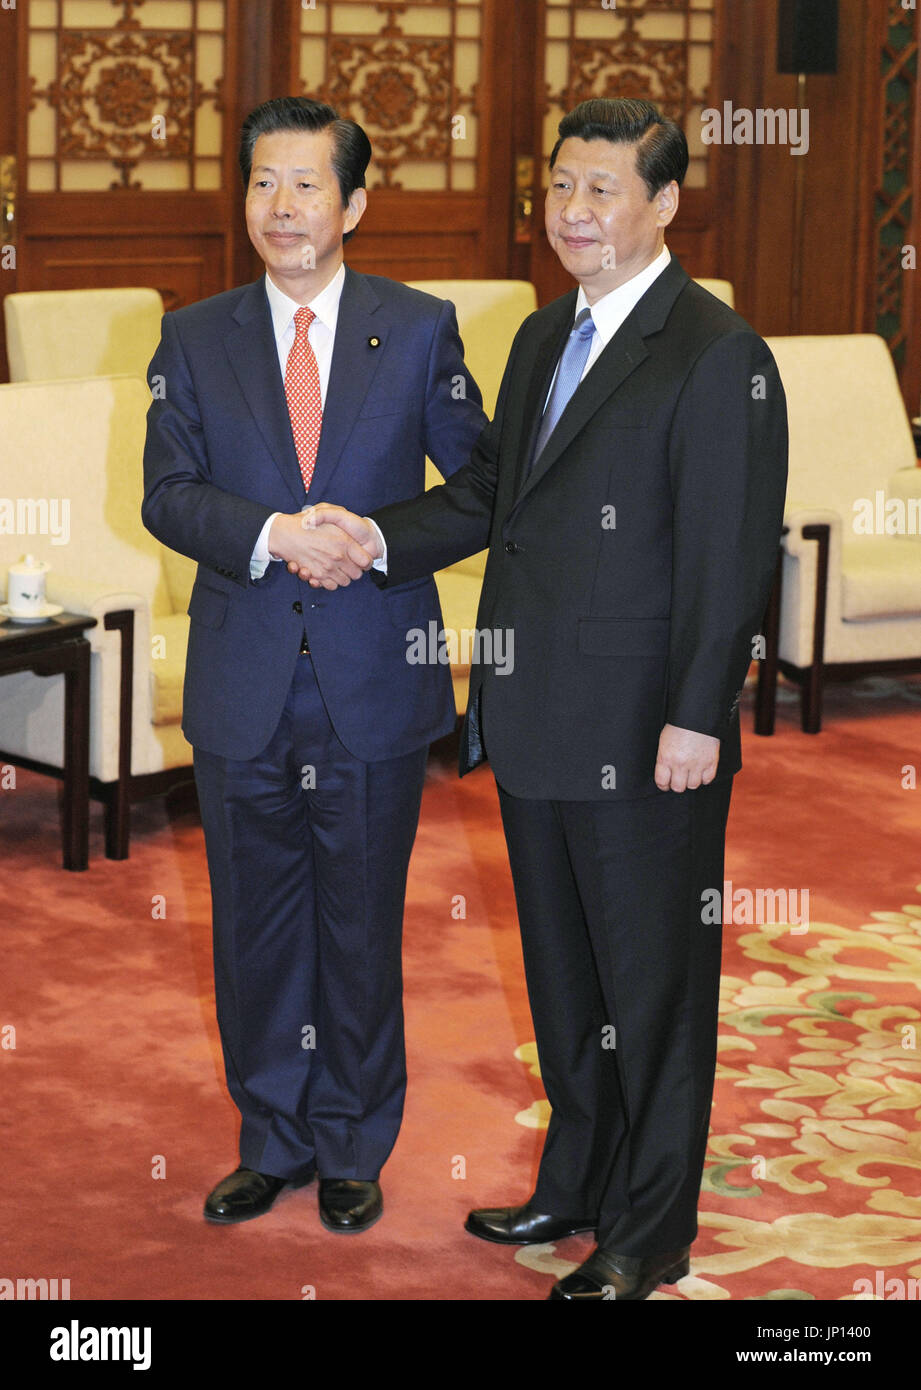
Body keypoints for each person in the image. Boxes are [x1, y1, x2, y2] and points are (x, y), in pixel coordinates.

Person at [306, 98, 789, 1298]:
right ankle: (575, 1182)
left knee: (655, 991)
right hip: (531, 717)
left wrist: (697, 714)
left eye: (603, 191)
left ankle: (651, 1228)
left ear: (664, 203)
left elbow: (730, 555)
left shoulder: (718, 353)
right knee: (567, 981)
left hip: (646, 735)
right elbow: (487, 496)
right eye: (561, 186)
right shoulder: (538, 337)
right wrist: (369, 533)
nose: (574, 213)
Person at [141, 96, 486, 1235]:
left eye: (305, 184)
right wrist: (275, 534)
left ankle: (352, 1140)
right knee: (252, 926)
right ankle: (272, 1136)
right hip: (244, 685)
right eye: (262, 184)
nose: (281, 207)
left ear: (356, 203)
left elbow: (481, 488)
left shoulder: (421, 326)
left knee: (357, 920)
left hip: (371, 680)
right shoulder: (193, 337)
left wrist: (379, 541)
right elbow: (168, 494)